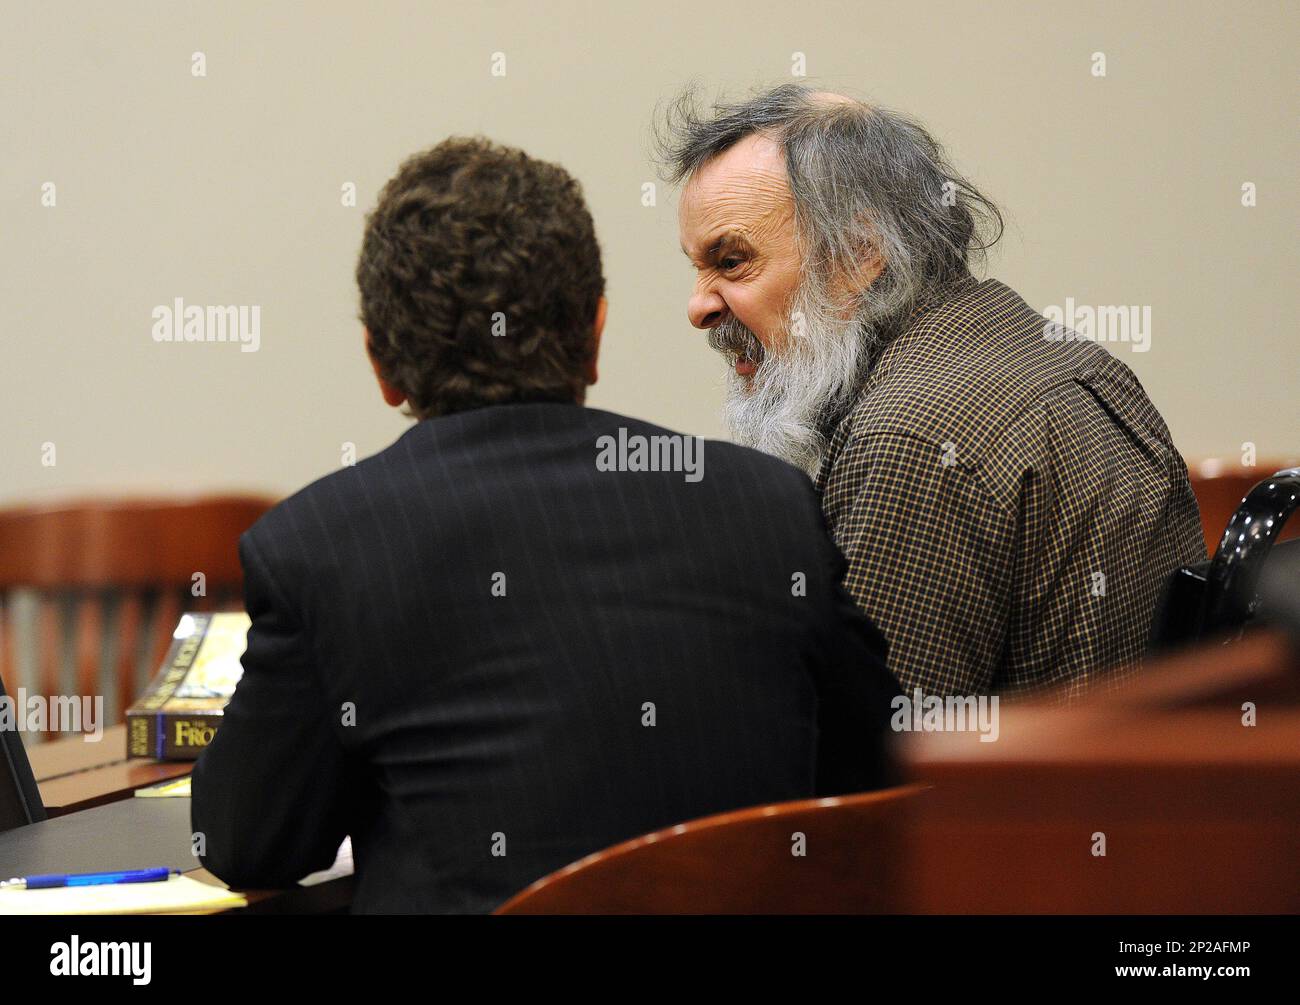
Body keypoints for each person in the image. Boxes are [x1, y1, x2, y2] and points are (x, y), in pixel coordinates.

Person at [191, 136, 899, 914]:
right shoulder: (765, 505)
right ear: (594, 334)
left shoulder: (320, 546)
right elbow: (878, 778)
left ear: (380, 362)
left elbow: (246, 843)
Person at [659, 83, 1205, 700]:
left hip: (1025, 798)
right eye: (696, 266)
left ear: (860, 254)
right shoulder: (1070, 357)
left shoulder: (908, 438)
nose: (698, 307)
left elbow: (873, 764)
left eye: (732, 263)